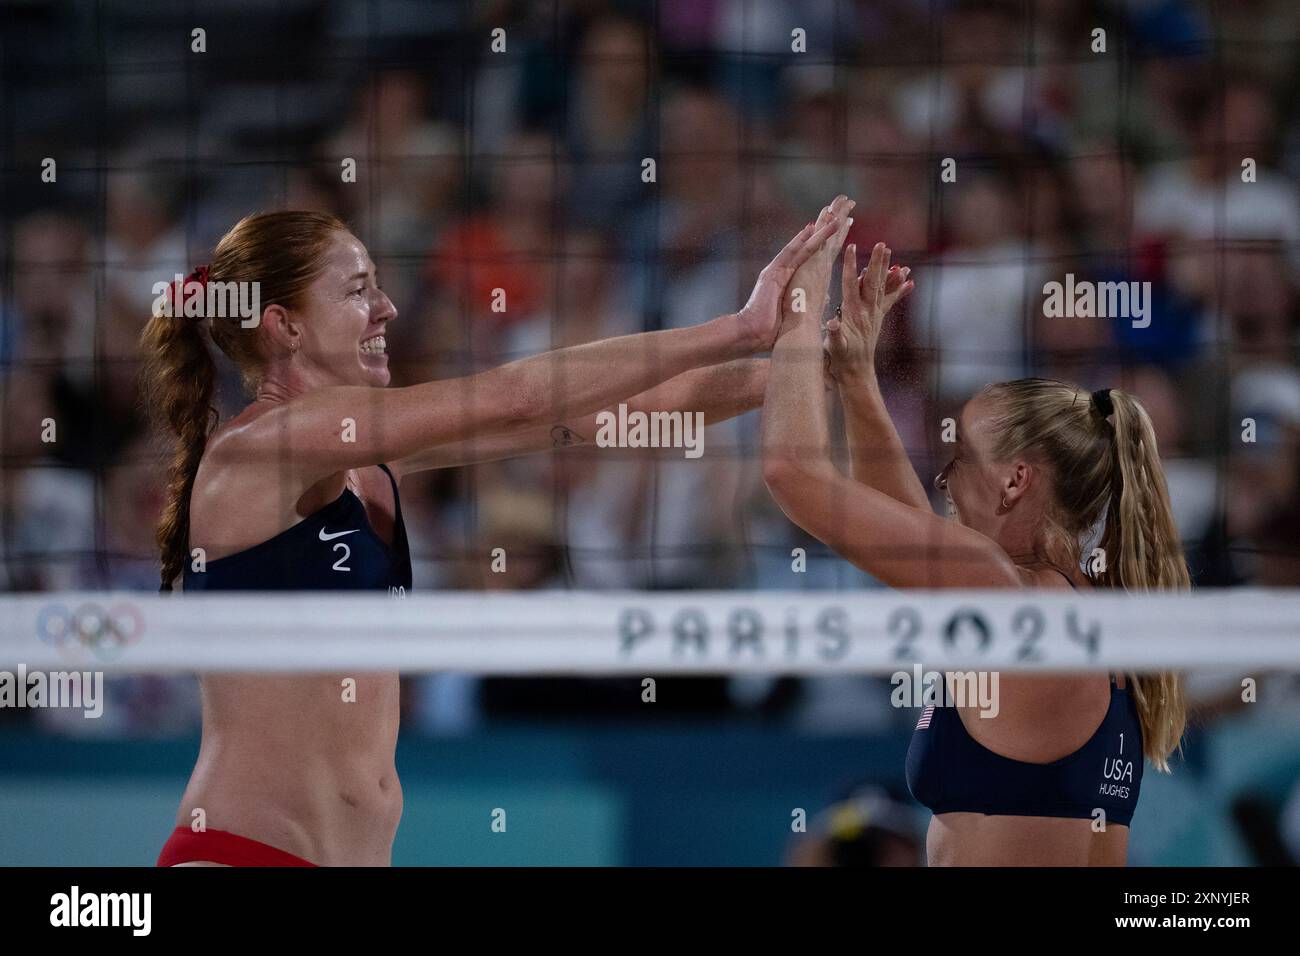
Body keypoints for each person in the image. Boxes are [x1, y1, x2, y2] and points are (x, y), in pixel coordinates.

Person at [143, 209, 839, 866]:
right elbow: (521, 394)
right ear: (284, 327)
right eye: (358, 290)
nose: (387, 308)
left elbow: (618, 413)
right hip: (243, 854)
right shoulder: (260, 448)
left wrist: (807, 363)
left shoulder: (367, 455)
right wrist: (739, 327)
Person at [761, 196, 1188, 866]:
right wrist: (855, 381)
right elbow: (910, 540)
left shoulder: (1005, 594)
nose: (943, 481)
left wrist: (794, 313)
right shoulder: (1068, 609)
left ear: (1015, 482)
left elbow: (791, 474)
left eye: (959, 460)